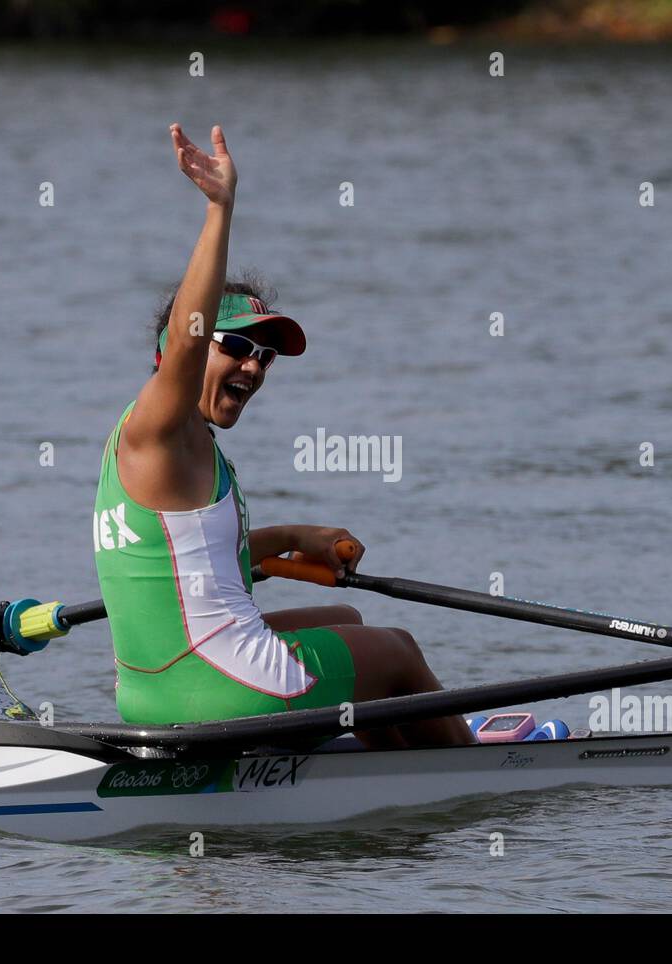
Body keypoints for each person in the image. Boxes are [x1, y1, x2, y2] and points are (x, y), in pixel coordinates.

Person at [93, 123, 471, 749]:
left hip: (151, 687)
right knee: (397, 651)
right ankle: (460, 778)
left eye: (265, 357)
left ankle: (372, 765)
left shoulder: (165, 450)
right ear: (176, 355)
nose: (254, 366)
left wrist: (296, 538)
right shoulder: (160, 425)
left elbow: (202, 567)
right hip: (211, 684)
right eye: (238, 347)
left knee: (345, 619)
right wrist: (220, 209)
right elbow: (189, 333)